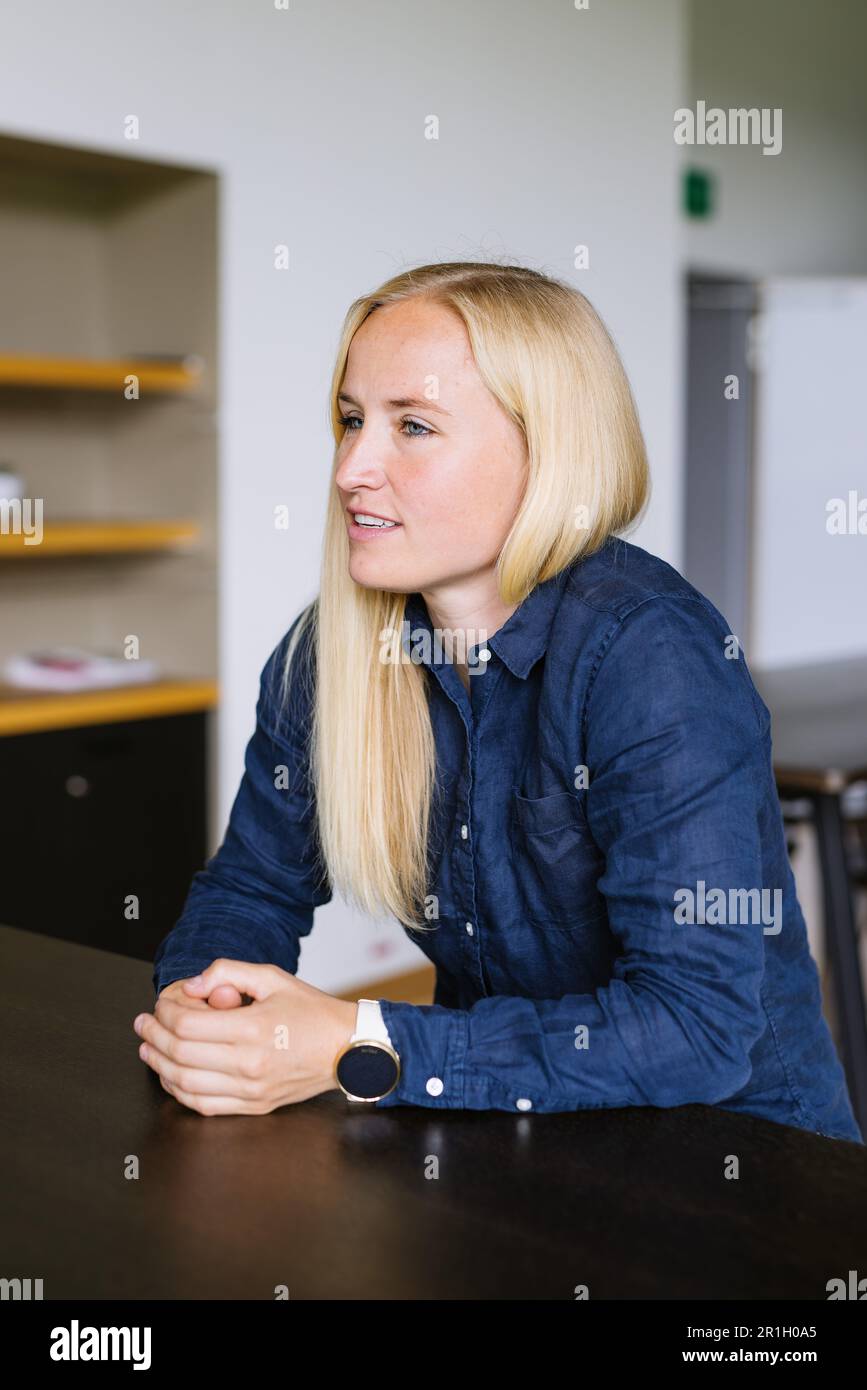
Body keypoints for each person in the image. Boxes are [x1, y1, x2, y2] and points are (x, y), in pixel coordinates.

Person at [135, 260, 862, 1142]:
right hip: (500, 1139)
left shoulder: (653, 655)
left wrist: (356, 1040)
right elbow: (251, 888)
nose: (352, 468)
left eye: (412, 426)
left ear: (544, 451)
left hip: (732, 1162)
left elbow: (694, 1030)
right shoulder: (329, 654)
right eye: (352, 420)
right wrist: (208, 1000)